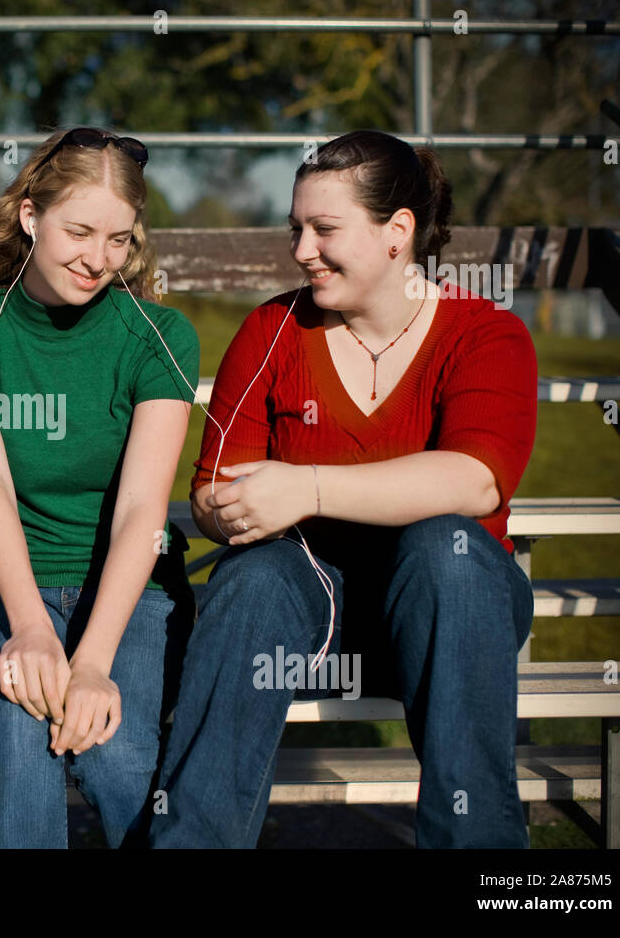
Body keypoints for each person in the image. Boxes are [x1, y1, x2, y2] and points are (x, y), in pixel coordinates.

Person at [150, 129, 537, 848]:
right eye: (296, 228)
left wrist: (307, 489)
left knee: (446, 544)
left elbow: (476, 479)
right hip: (302, 617)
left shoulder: (487, 334)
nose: (302, 250)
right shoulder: (273, 328)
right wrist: (228, 510)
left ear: (398, 233)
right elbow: (210, 493)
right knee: (255, 576)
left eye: (325, 230)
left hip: (450, 619)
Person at [0, 127, 199, 848]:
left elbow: (142, 510)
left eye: (118, 240)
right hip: (14, 589)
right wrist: (32, 629)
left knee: (114, 749)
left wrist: (95, 661)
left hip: (133, 592)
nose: (97, 259)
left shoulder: (160, 336)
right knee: (22, 723)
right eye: (79, 232)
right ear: (32, 216)